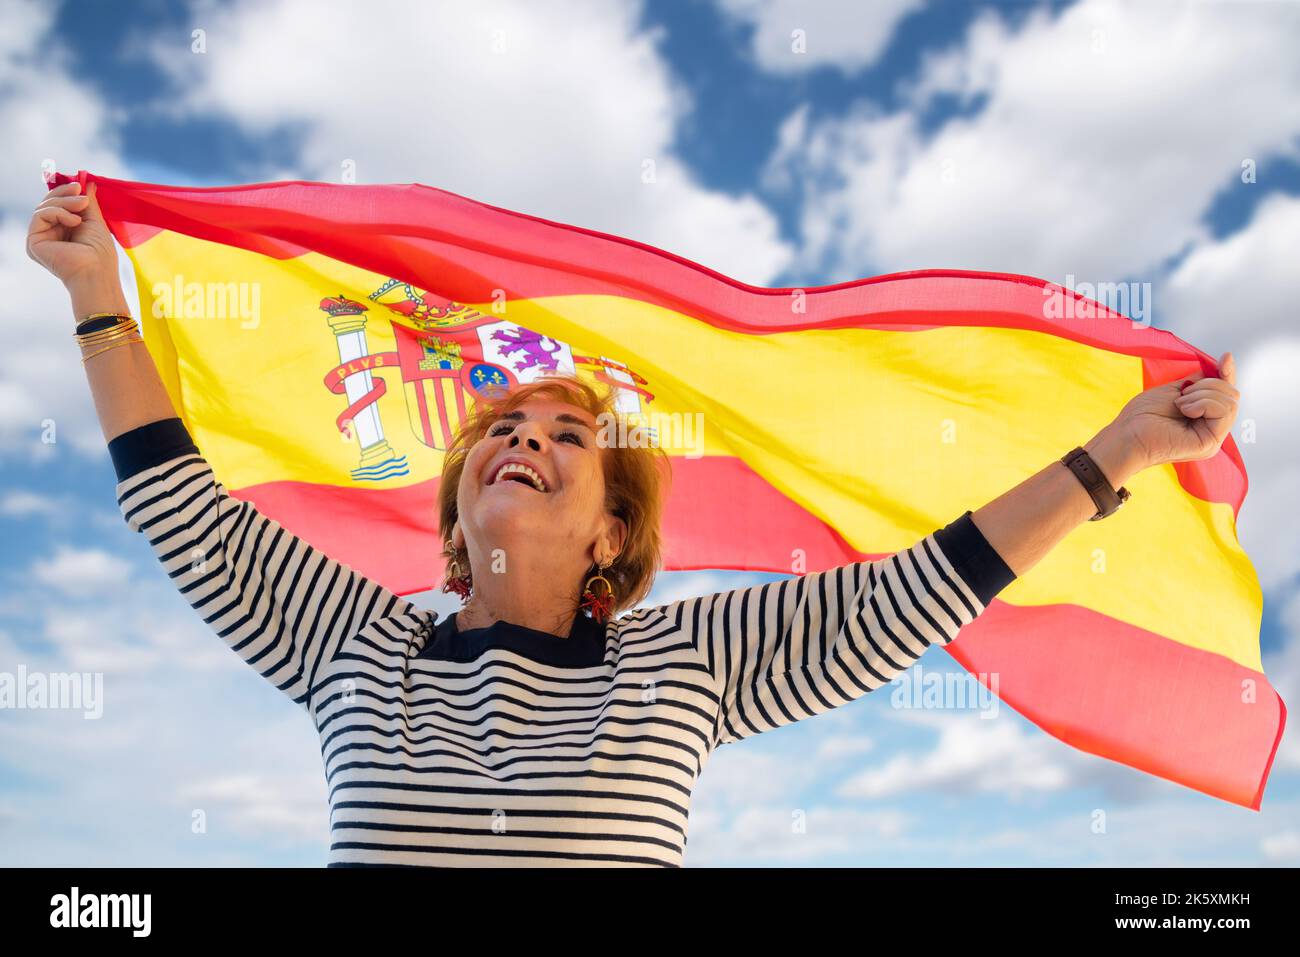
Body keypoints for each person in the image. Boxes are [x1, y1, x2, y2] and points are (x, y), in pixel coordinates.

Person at [27, 179, 1241, 867]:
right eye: (504, 431)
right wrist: (95, 293)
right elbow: (179, 504)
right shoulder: (357, 642)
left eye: (567, 438)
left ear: (611, 533)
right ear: (458, 500)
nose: (524, 442)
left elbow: (913, 589)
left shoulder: (685, 664)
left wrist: (1123, 450)